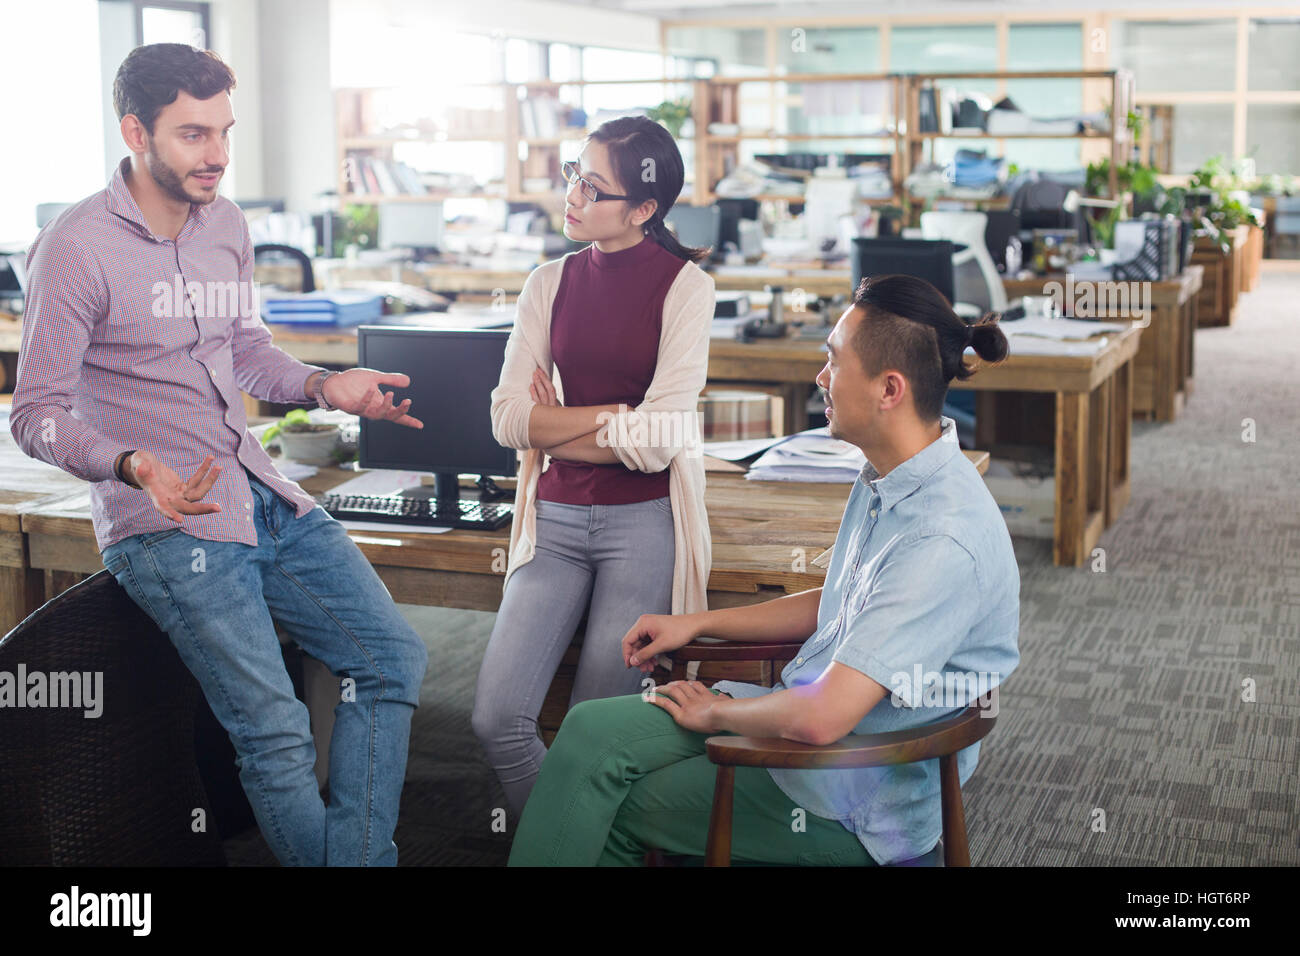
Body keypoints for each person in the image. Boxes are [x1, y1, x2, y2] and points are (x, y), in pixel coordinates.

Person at [9, 43, 428, 866]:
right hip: (166, 526)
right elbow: (35, 415)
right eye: (194, 135)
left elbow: (245, 350)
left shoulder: (226, 224)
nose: (219, 156)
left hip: (257, 488)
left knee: (390, 656)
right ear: (136, 131)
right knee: (274, 730)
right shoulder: (75, 248)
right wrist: (132, 463)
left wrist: (321, 384)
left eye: (224, 132)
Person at [507, 273, 1020, 866]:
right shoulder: (893, 475)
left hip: (850, 791)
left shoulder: (942, 538)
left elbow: (825, 717)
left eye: (833, 361)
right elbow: (842, 603)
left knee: (604, 805)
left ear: (889, 389)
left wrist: (717, 711)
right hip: (807, 727)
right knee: (586, 735)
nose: (820, 378)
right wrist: (696, 624)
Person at [476, 116, 716, 820]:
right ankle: (577, 844)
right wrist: (616, 414)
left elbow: (663, 438)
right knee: (497, 719)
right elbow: (505, 421)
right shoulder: (547, 283)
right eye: (574, 173)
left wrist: (557, 429)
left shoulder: (685, 288)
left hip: (642, 524)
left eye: (594, 185)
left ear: (643, 210)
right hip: (550, 521)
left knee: (592, 730)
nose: (572, 194)